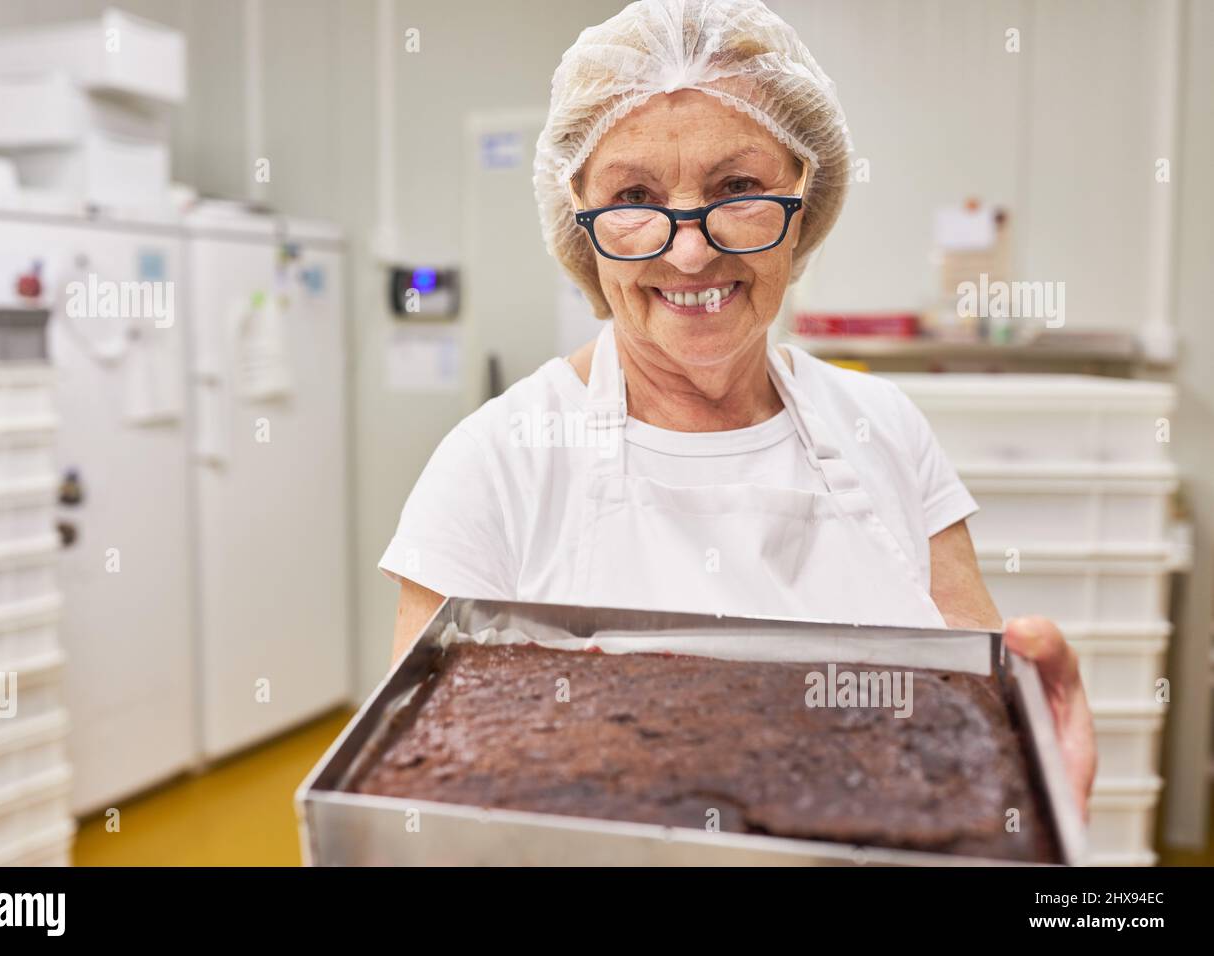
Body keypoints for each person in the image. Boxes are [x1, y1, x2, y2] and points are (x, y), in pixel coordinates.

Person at [380, 0, 1095, 814]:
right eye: (635, 195)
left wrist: (1036, 798)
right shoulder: (495, 466)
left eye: (739, 187)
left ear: (804, 194)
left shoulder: (885, 429)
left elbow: (981, 741)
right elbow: (415, 819)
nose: (691, 250)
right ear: (582, 220)